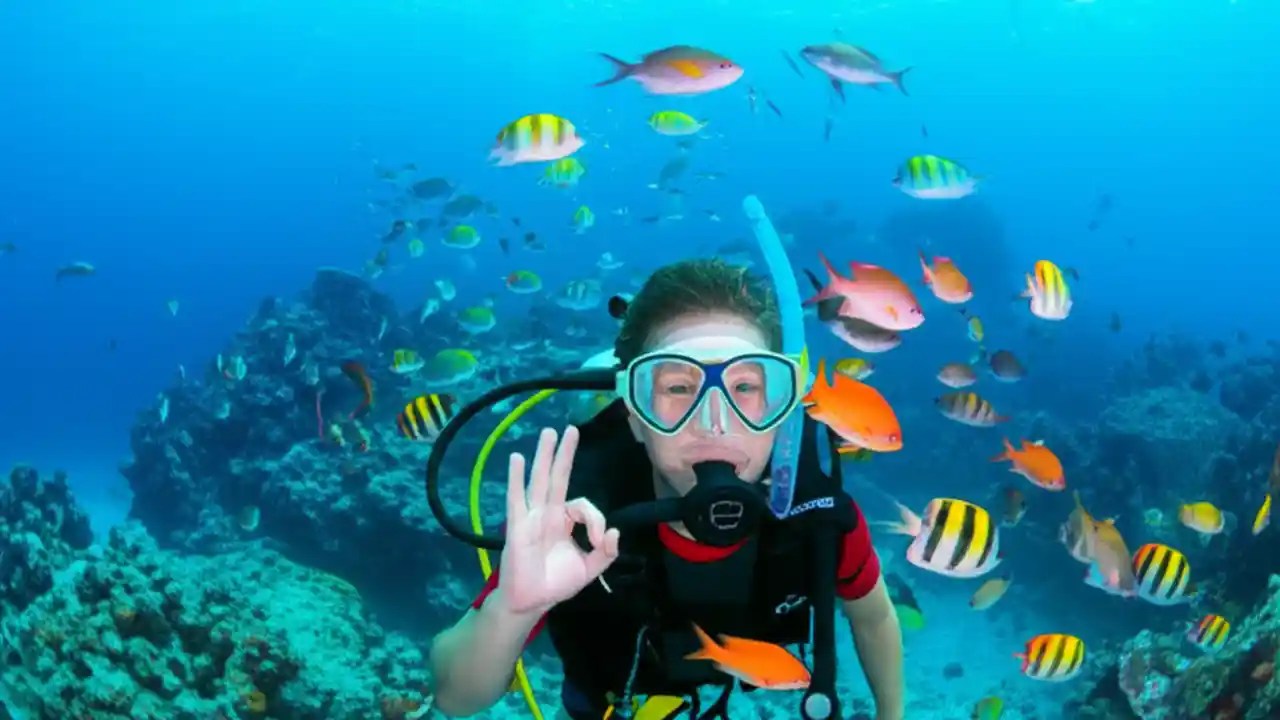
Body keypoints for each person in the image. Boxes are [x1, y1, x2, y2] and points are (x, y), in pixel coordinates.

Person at [427, 259, 905, 720]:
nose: (713, 423)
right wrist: (512, 609)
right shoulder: (574, 519)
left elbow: (875, 618)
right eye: (678, 388)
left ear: (781, 409)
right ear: (634, 417)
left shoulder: (819, 518)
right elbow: (455, 698)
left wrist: (892, 714)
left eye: (744, 387)